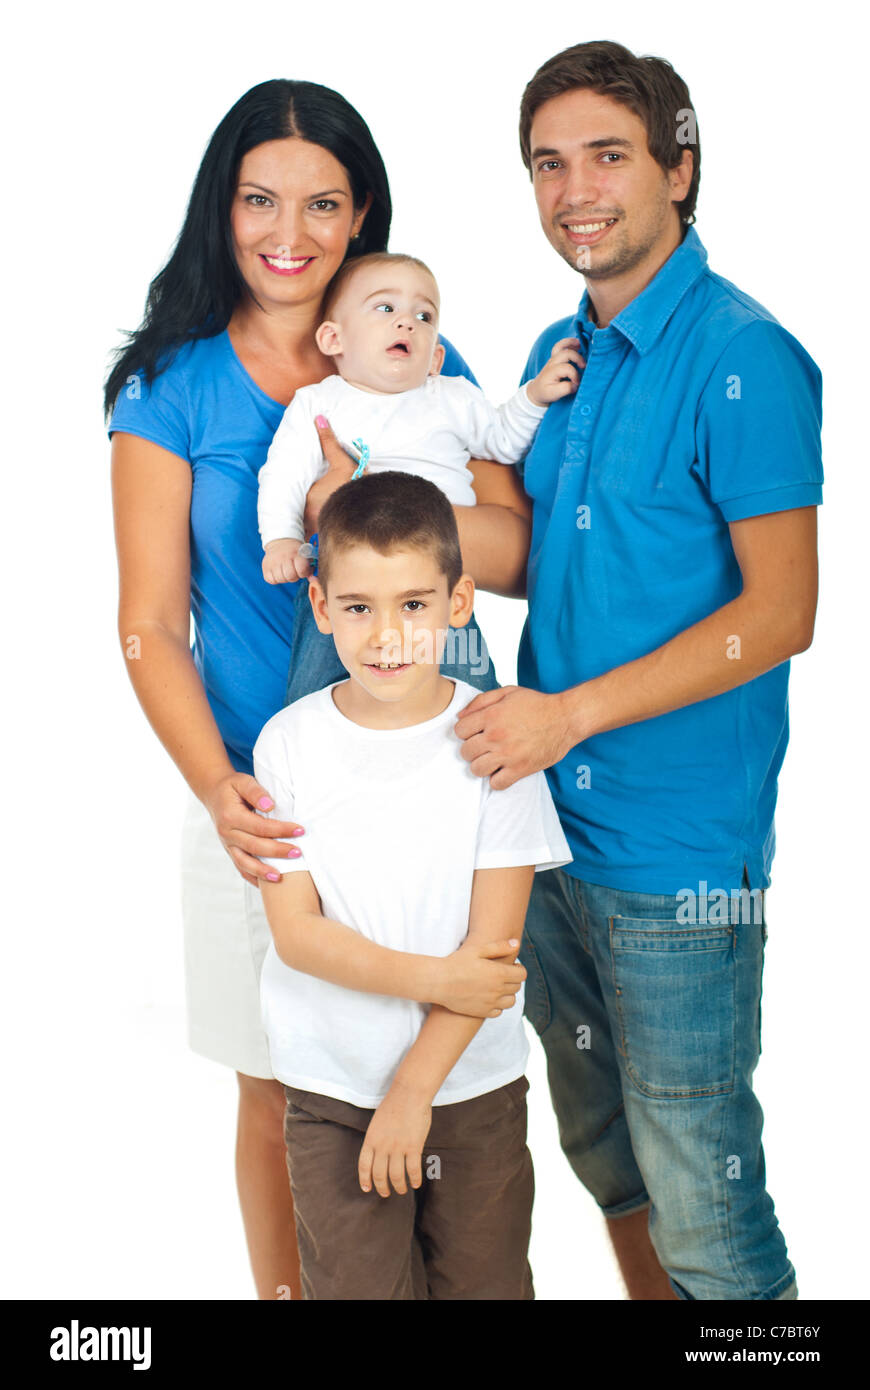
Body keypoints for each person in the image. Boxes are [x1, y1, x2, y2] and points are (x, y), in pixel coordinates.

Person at [105, 78, 532, 1300]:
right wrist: (222, 789)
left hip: (436, 783)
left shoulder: (418, 346)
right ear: (221, 208)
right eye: (258, 198)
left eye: (324, 202)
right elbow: (147, 624)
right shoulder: (172, 388)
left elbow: (511, 550)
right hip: (263, 799)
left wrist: (368, 505)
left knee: (452, 1074)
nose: (287, 230)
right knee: (281, 1083)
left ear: (362, 218)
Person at [454, 40, 822, 1301]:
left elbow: (781, 614)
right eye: (548, 165)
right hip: (553, 836)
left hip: (679, 862)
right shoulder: (568, 352)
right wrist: (383, 502)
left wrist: (567, 715)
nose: (574, 191)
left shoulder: (745, 354)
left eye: (607, 156)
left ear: (679, 166)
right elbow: (546, 558)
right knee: (614, 1163)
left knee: (705, 1190)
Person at [252, 469, 572, 1299]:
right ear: (321, 608)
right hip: (331, 1092)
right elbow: (299, 935)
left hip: (472, 1091)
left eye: (414, 605)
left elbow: (492, 953)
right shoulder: (287, 746)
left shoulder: (494, 739)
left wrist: (413, 1094)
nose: (387, 636)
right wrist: (437, 981)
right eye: (358, 607)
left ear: (459, 602)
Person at [258, 249, 579, 703]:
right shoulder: (317, 404)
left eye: (424, 315)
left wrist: (534, 396)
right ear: (333, 338)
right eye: (386, 308)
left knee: (470, 707)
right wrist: (281, 539)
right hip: (344, 582)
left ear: (435, 358)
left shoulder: (452, 396)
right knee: (316, 706)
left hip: (435, 583)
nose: (407, 322)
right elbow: (283, 476)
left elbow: (504, 440)